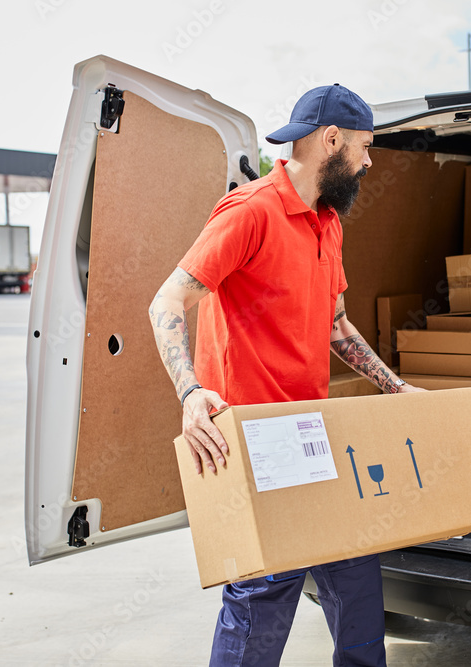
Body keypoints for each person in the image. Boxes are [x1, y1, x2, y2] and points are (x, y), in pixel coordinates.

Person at [149, 83, 423, 667]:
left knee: (357, 584)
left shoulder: (328, 222)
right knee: (261, 606)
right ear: (331, 140)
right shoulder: (250, 212)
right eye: (364, 148)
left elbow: (337, 326)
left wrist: (398, 391)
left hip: (313, 435)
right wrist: (192, 393)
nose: (370, 162)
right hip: (255, 443)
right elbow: (167, 303)